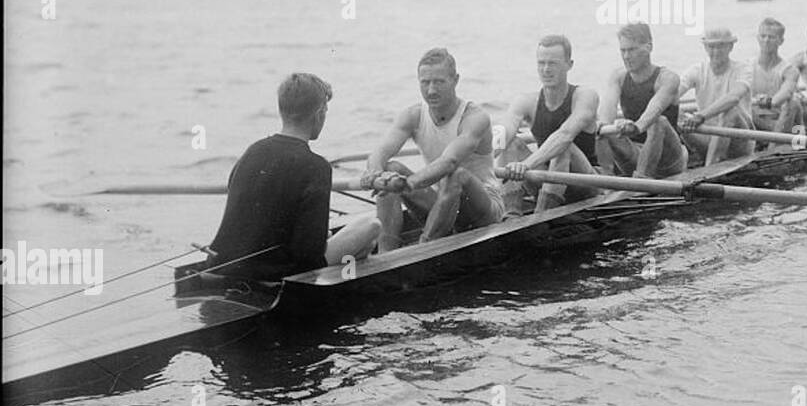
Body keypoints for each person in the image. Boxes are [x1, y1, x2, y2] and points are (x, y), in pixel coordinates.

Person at [207, 73, 379, 280]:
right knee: (372, 226)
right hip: (280, 274)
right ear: (320, 113)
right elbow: (309, 254)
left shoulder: (252, 151)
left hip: (223, 263)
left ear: (282, 111)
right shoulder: (316, 166)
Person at [361, 48, 505, 250]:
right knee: (391, 167)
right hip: (443, 200)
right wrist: (376, 174)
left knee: (456, 175)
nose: (431, 90)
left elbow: (449, 162)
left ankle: (424, 248)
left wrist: (409, 183)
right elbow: (379, 153)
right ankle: (386, 254)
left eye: (439, 82)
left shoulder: (474, 117)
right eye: (425, 82)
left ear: (455, 80)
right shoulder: (412, 115)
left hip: (485, 207)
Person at [498, 34, 603, 212]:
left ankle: (540, 217)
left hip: (586, 183)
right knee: (512, 144)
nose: (546, 69)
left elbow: (564, 135)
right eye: (541, 63)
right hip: (546, 178)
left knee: (564, 147)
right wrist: (482, 154)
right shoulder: (526, 101)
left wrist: (526, 165)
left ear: (569, 65)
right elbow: (504, 131)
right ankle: (510, 216)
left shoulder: (585, 96)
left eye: (552, 63)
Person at [597, 22, 687, 179]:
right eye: (623, 50)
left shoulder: (668, 78)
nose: (626, 56)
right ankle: (605, 181)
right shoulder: (618, 77)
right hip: (637, 152)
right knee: (600, 129)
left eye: (632, 50)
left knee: (659, 121)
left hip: (670, 159)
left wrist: (636, 127)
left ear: (649, 47)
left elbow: (654, 110)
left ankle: (639, 183)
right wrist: (606, 126)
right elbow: (605, 115)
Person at [678, 27, 755, 165]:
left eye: (721, 46)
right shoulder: (697, 70)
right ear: (705, 47)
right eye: (711, 46)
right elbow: (673, 93)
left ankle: (709, 168)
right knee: (672, 109)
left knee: (731, 112)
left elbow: (733, 98)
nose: (716, 51)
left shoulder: (743, 69)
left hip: (739, 140)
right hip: (708, 137)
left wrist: (701, 116)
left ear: (731, 47)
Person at [750, 17, 802, 136]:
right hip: (755, 121)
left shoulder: (789, 70)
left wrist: (770, 101)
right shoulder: (747, 67)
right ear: (757, 38)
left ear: (781, 41)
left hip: (782, 122)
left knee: (794, 103)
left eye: (771, 37)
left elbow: (786, 92)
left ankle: (777, 146)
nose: (766, 40)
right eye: (763, 36)